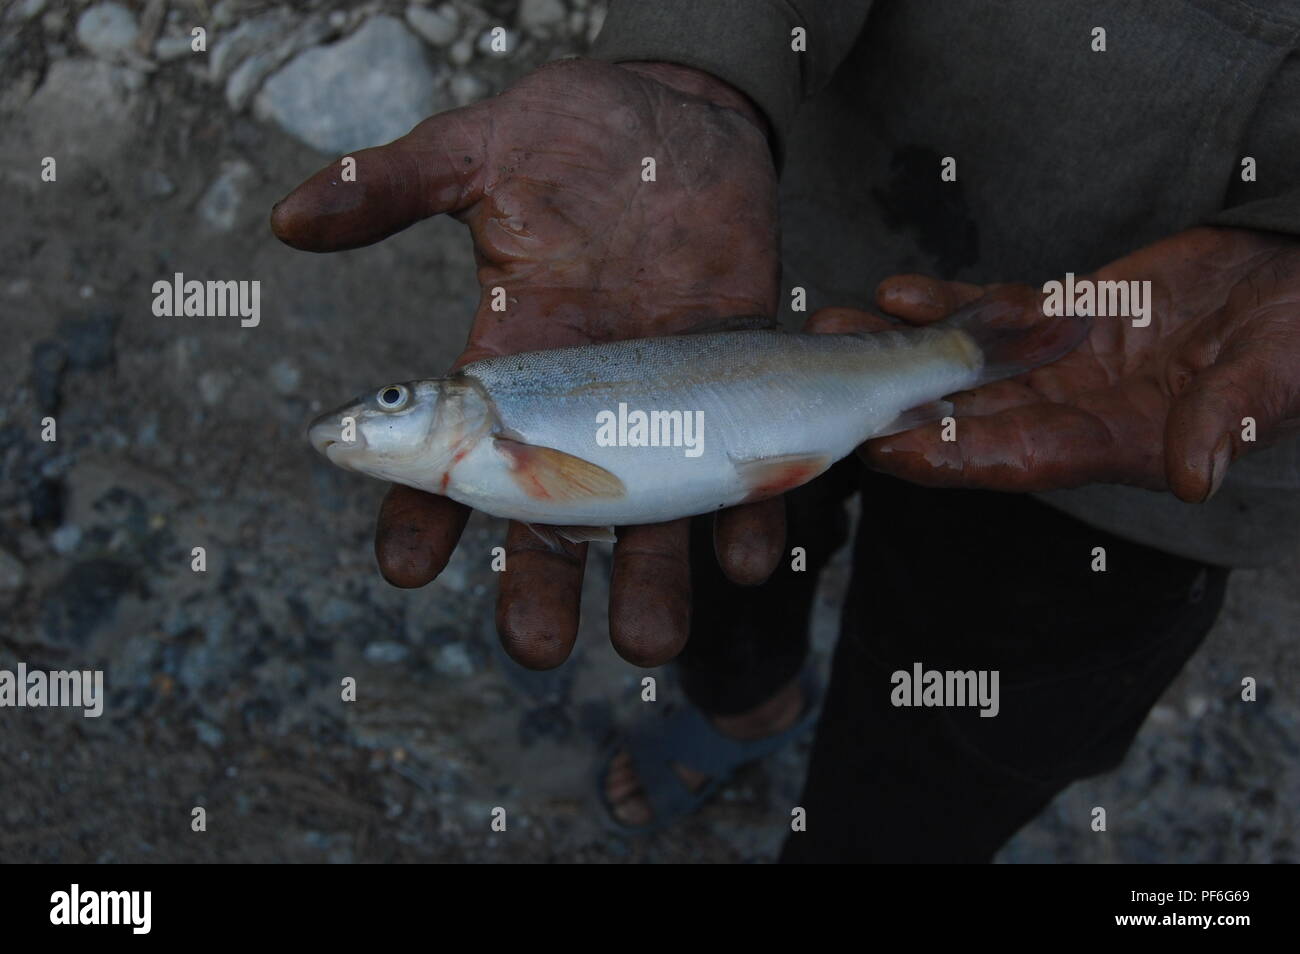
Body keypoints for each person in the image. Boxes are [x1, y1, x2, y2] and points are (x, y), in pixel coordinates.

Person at [270, 1, 1300, 860]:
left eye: (392, 404)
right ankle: (743, 707)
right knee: (728, 585)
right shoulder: (495, 443)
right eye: (386, 409)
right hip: (782, 252)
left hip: (1170, 412)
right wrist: (701, 52)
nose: (367, 421)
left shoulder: (495, 441)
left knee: (969, 737)